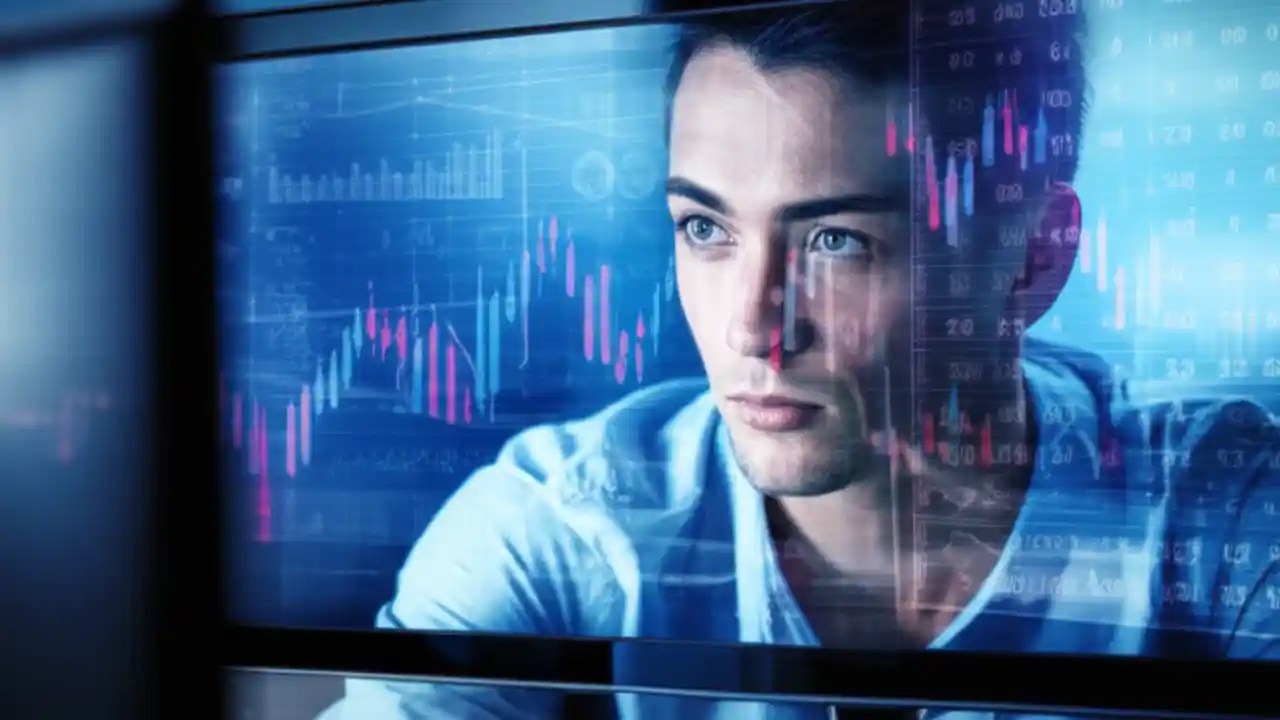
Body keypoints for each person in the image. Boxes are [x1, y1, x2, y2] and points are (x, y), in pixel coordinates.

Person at [326, 2, 1279, 718]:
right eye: (705, 228)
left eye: (837, 242)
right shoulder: (560, 525)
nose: (753, 327)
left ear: (1034, 256)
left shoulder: (1220, 516)